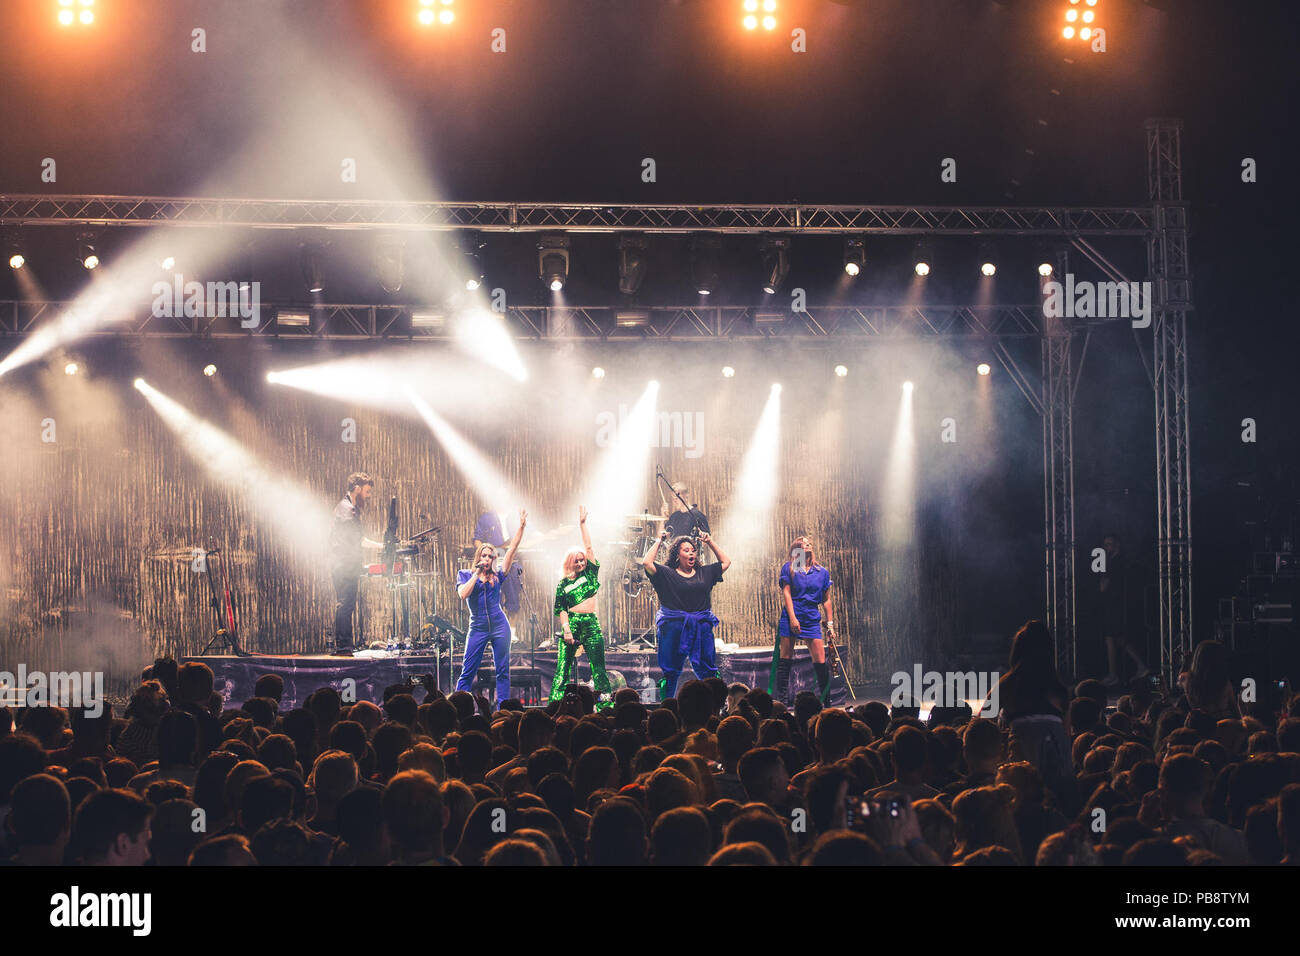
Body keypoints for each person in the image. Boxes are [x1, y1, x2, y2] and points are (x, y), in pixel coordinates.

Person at [642, 528, 731, 700]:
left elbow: (726, 561)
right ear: (677, 555)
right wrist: (659, 540)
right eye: (686, 550)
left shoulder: (705, 573)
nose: (691, 553)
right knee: (671, 671)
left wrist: (710, 542)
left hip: (701, 627)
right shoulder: (666, 573)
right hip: (674, 627)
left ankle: (714, 707)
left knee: (708, 669)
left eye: (693, 550)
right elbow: (647, 563)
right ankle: (668, 706)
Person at [456, 509, 526, 706]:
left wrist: (521, 528)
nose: (487, 559)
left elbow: (511, 549)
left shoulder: (498, 576)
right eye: (484, 555)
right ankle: (459, 707)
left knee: (502, 670)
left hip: (499, 625)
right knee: (468, 670)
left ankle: (502, 708)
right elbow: (463, 594)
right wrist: (476, 574)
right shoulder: (465, 574)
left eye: (490, 556)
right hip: (477, 627)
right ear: (478, 557)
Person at [551, 506, 613, 710]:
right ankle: (556, 705)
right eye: (576, 560)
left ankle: (605, 706)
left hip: (591, 623)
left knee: (599, 667)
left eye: (582, 560)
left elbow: (589, 548)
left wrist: (583, 525)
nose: (580, 562)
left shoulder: (590, 575)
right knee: (563, 667)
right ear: (570, 563)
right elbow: (561, 609)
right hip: (572, 623)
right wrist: (566, 629)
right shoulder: (563, 584)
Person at [769, 535, 836, 706]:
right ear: (796, 548)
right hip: (792, 613)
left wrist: (830, 625)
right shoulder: (790, 568)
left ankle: (827, 705)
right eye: (804, 543)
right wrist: (792, 618)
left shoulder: (821, 572)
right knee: (785, 659)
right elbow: (787, 593)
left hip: (811, 616)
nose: (808, 544)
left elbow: (826, 600)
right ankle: (781, 704)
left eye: (809, 543)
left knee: (821, 662)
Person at [330, 473, 383, 657]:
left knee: (344, 604)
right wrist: (381, 546)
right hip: (344, 565)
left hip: (343, 563)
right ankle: (343, 647)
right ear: (358, 488)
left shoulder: (346, 507)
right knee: (345, 605)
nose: (368, 496)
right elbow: (358, 540)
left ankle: (343, 646)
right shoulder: (348, 511)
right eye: (367, 491)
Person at [1098, 533, 1148, 686]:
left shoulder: (1114, 562)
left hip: (1115, 605)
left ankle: (1115, 674)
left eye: (1110, 544)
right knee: (1116, 638)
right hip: (1117, 604)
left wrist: (1101, 577)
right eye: (1105, 545)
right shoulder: (1119, 560)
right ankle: (1139, 666)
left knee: (1112, 638)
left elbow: (1103, 587)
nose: (1107, 548)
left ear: (1117, 544)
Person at [474, 508, 524, 638]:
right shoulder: (486, 517)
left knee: (513, 599)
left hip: (512, 563)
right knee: (493, 599)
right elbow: (477, 539)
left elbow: (519, 542)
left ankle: (513, 635)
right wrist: (487, 552)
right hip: (492, 565)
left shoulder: (515, 516)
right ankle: (495, 633)